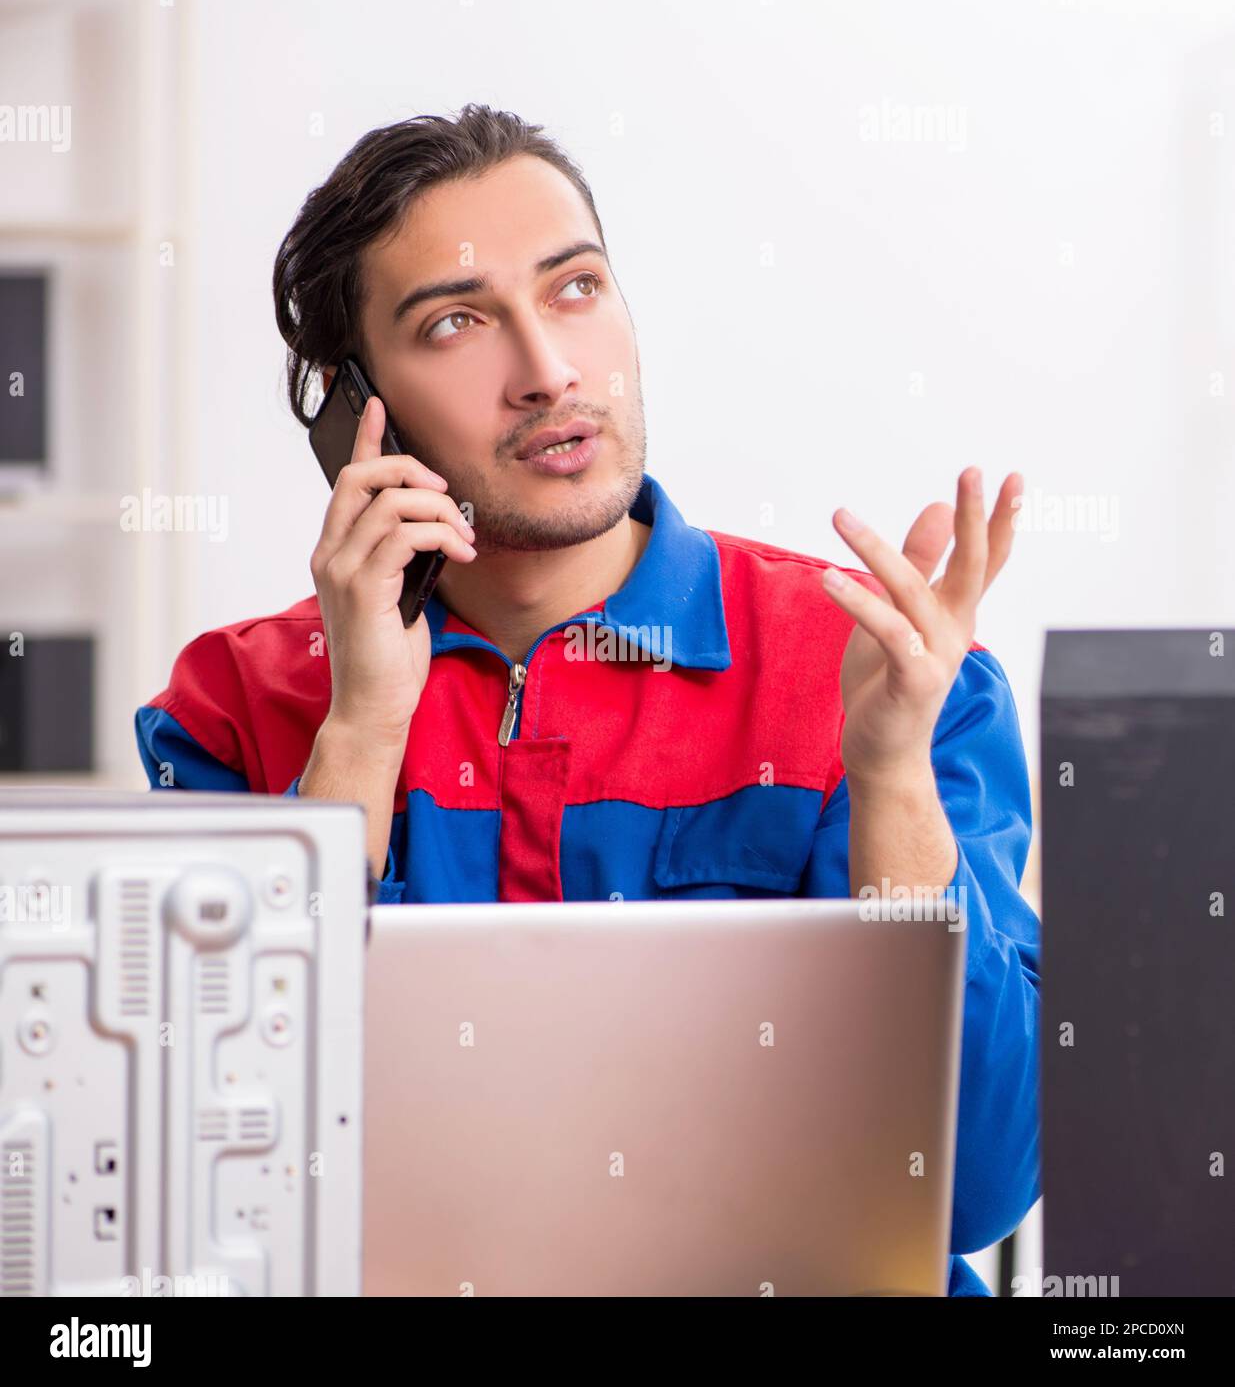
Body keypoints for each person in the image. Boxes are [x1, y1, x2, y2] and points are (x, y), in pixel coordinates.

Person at [135, 104, 1040, 1297]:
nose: (550, 371)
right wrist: (356, 736)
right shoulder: (234, 704)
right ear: (353, 404)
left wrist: (886, 781)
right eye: (456, 321)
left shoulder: (881, 666)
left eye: (574, 290)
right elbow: (211, 1190)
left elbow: (976, 1182)